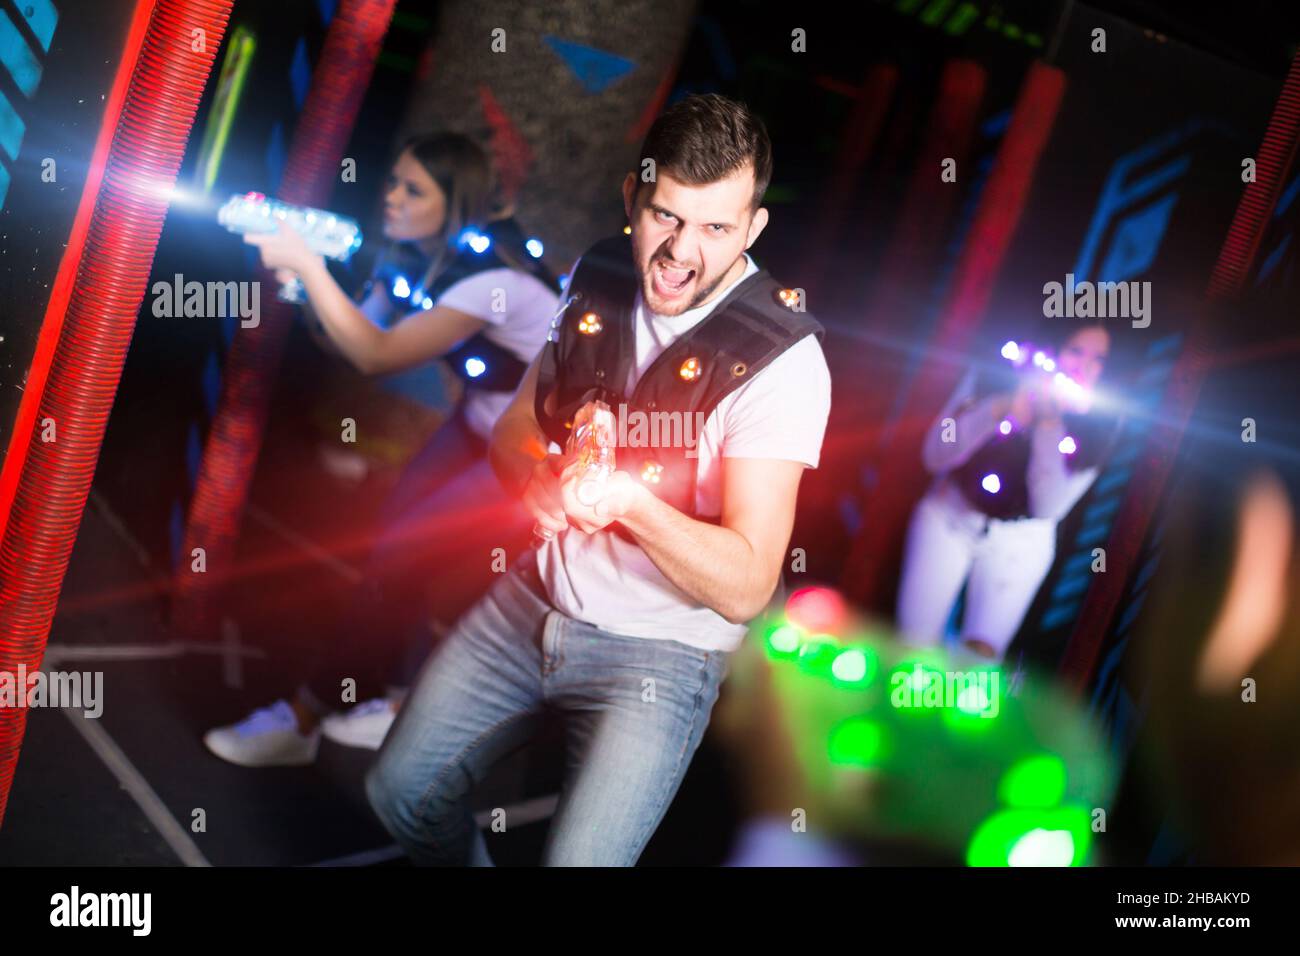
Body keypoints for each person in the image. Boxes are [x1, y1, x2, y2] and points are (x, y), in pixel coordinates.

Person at [364, 93, 833, 865]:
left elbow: (749, 584)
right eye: (666, 216)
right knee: (400, 794)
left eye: (717, 228)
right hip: (533, 599)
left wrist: (629, 503)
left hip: (661, 652)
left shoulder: (784, 362)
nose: (682, 253)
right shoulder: (598, 269)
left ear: (752, 229)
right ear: (632, 198)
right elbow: (516, 427)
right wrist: (537, 481)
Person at [203, 132, 559, 766]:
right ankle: (399, 696)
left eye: (414, 189)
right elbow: (347, 335)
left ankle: (310, 718)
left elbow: (374, 355)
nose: (392, 197)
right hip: (474, 424)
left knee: (399, 555)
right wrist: (301, 283)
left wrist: (311, 269)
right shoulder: (415, 254)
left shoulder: (489, 277)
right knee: (396, 548)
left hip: (528, 454)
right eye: (393, 181)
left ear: (456, 204)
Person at [895, 320, 1118, 659]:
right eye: (1075, 350)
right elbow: (935, 455)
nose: (1083, 367)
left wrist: (1047, 424)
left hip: (1021, 541)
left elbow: (1048, 506)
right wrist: (998, 409)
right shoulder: (997, 374)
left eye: (1098, 358)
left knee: (978, 664)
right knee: (913, 648)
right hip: (949, 514)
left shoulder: (1101, 424)